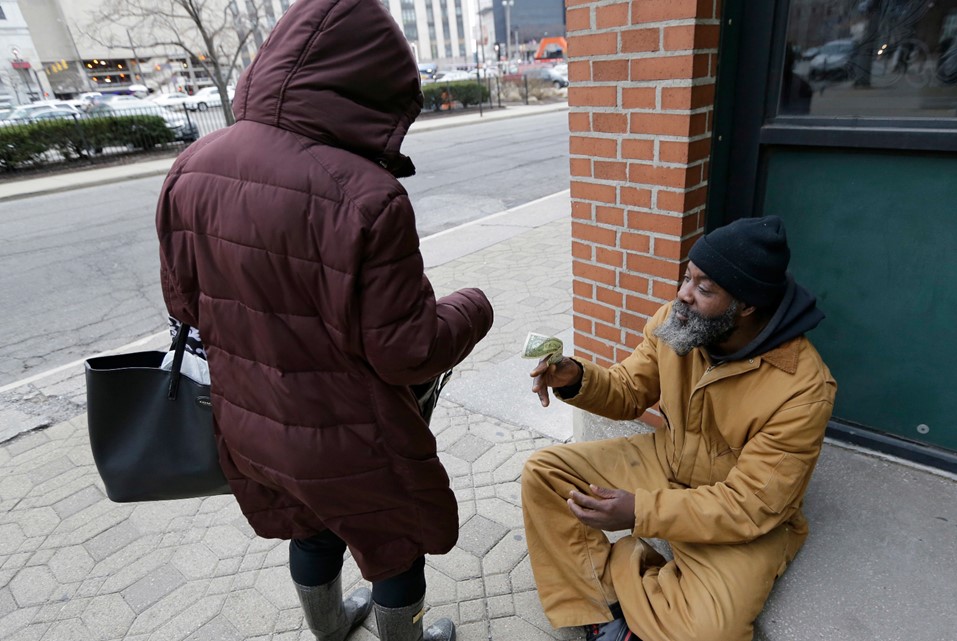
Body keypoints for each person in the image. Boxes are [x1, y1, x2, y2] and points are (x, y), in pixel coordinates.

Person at [154, 0, 493, 639]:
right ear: (373, 87)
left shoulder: (191, 167)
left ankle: (331, 628)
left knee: (309, 523)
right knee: (395, 543)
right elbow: (408, 349)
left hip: (250, 421)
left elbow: (184, 306)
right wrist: (473, 308)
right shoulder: (368, 196)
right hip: (351, 435)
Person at [522, 216, 837, 641]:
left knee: (711, 633)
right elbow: (629, 389)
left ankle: (622, 572)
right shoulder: (678, 324)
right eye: (687, 277)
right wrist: (577, 378)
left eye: (705, 288)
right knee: (544, 474)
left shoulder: (803, 389)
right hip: (667, 462)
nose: (683, 295)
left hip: (735, 509)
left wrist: (640, 512)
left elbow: (751, 505)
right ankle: (609, 609)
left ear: (745, 305)